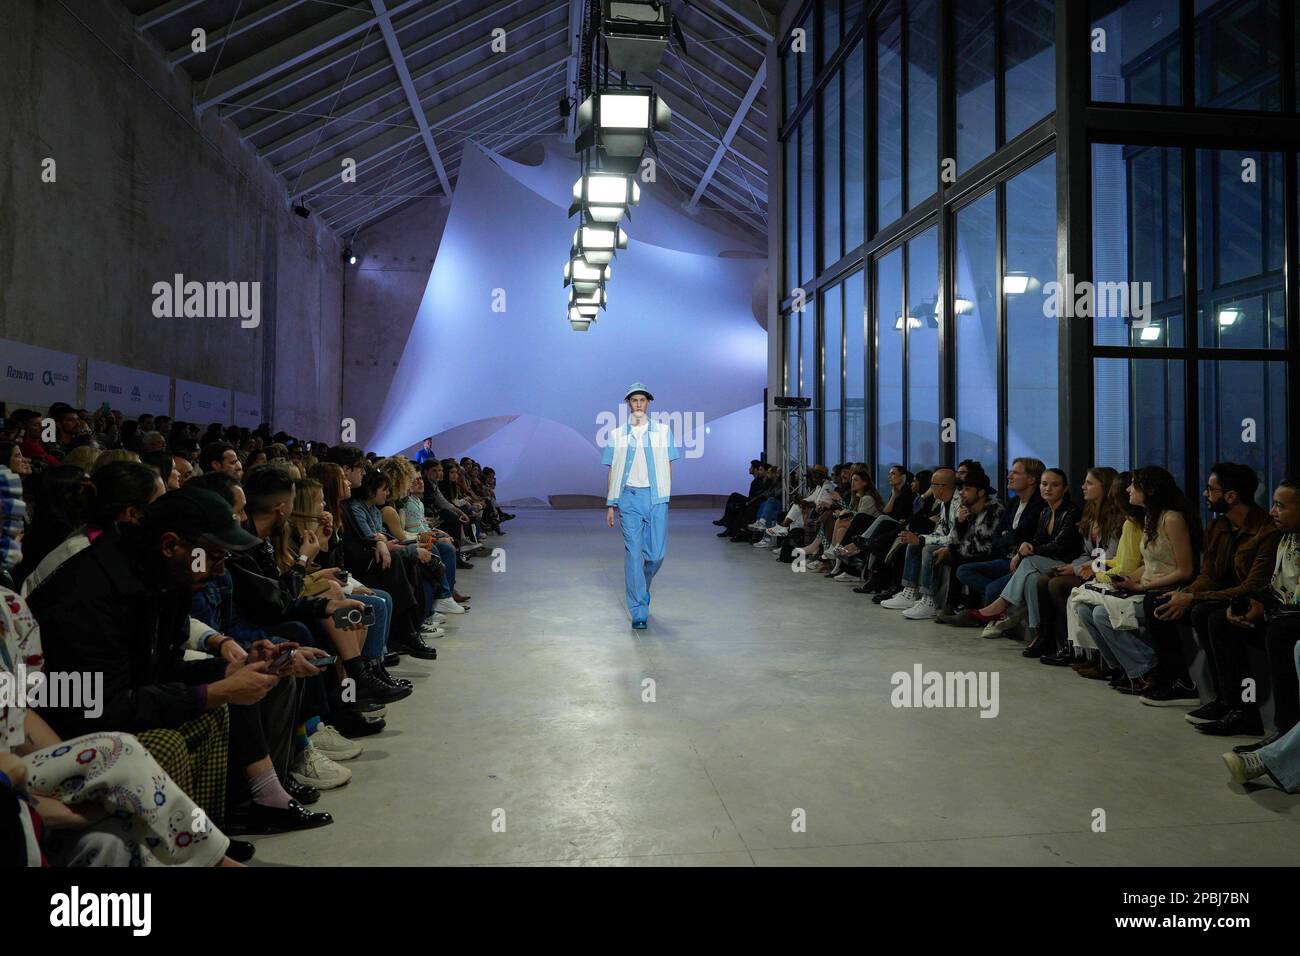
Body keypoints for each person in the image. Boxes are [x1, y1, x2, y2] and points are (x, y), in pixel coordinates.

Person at [1160, 464, 1281, 734]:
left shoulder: (1266, 532)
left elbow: (1253, 586)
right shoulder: (1219, 526)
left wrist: (1193, 596)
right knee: (1197, 611)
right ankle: (1225, 700)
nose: (1205, 494)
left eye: (1211, 489)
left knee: (1215, 618)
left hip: (1252, 603)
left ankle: (1243, 711)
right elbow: (1209, 574)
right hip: (1229, 599)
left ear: (1231, 496)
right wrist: (1187, 594)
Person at [602, 383, 681, 630]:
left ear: (648, 403)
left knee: (656, 555)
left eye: (642, 400)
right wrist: (611, 504)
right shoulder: (616, 435)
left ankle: (642, 587)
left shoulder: (663, 431)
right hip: (628, 498)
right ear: (628, 404)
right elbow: (612, 469)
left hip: (656, 498)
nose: (638, 404)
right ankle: (638, 610)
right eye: (634, 400)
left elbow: (669, 465)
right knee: (633, 555)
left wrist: (665, 496)